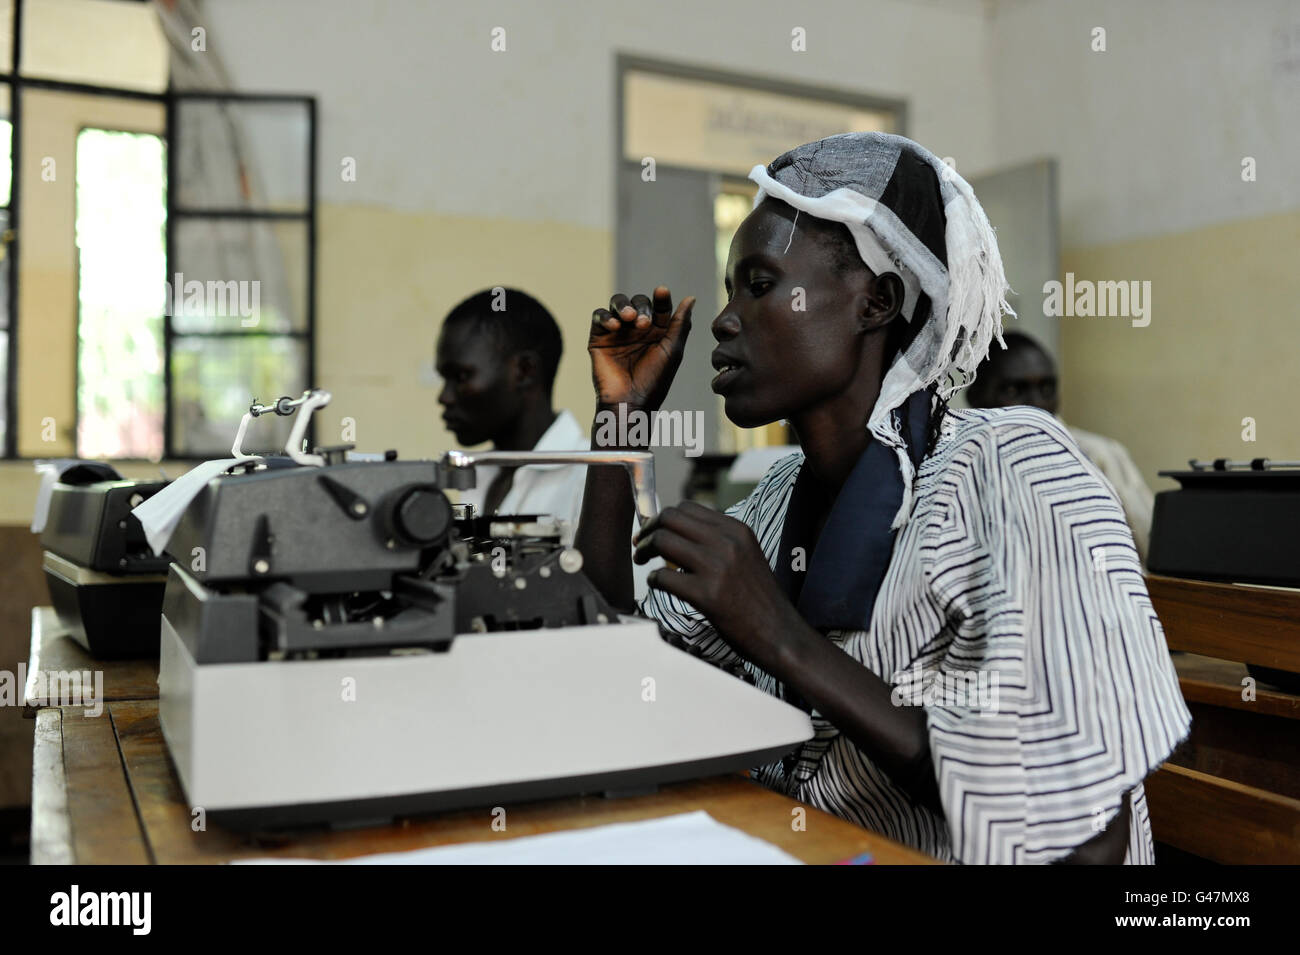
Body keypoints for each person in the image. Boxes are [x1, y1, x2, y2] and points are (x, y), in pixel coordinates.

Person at [576, 132, 1190, 864]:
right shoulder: (779, 498)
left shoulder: (1015, 467)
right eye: (732, 285)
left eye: (761, 283)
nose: (724, 317)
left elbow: (1085, 835)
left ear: (877, 301)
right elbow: (616, 666)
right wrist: (620, 420)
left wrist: (781, 636)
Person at [966, 331, 1155, 564]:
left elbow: (1152, 550)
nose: (1037, 404)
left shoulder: (1098, 455)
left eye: (1046, 389)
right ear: (975, 397)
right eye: (1014, 391)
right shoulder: (964, 464)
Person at [435, 288, 587, 537]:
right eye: (443, 379)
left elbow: (633, 578)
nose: (444, 397)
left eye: (461, 376)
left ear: (524, 371)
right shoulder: (480, 474)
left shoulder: (595, 481)